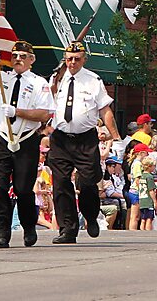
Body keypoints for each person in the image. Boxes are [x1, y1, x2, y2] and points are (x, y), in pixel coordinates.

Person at [0, 40, 56, 248]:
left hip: (26, 140)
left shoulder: (39, 83)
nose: (18, 60)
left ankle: (28, 226)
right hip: (3, 138)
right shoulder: (2, 77)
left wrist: (18, 112)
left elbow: (44, 114)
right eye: (14, 56)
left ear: (31, 60)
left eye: (23, 56)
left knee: (23, 189)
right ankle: (0, 234)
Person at [46, 41, 122, 244]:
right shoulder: (56, 78)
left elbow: (105, 110)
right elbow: (47, 103)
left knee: (88, 181)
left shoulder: (93, 80)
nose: (72, 62)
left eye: (77, 59)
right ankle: (67, 229)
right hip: (61, 138)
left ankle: (90, 215)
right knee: (61, 183)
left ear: (84, 59)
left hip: (85, 138)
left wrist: (115, 137)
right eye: (69, 58)